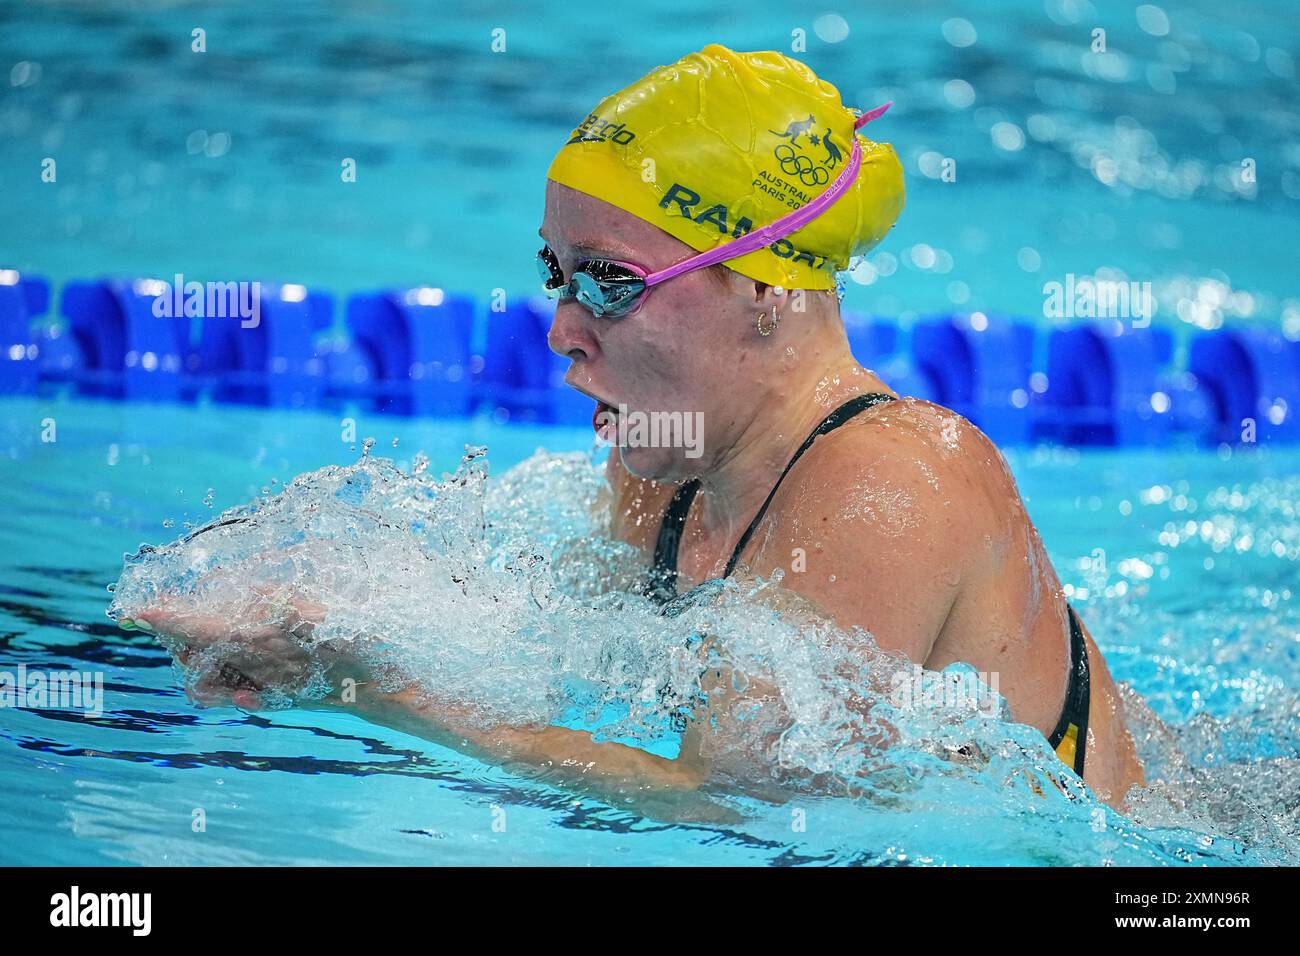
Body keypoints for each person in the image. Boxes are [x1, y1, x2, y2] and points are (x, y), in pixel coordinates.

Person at [137, 44, 1145, 814]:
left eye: (609, 282)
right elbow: (554, 667)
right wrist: (321, 629)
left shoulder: (889, 486)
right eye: (556, 273)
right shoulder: (664, 472)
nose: (561, 330)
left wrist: (370, 691)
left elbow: (737, 801)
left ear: (764, 288)